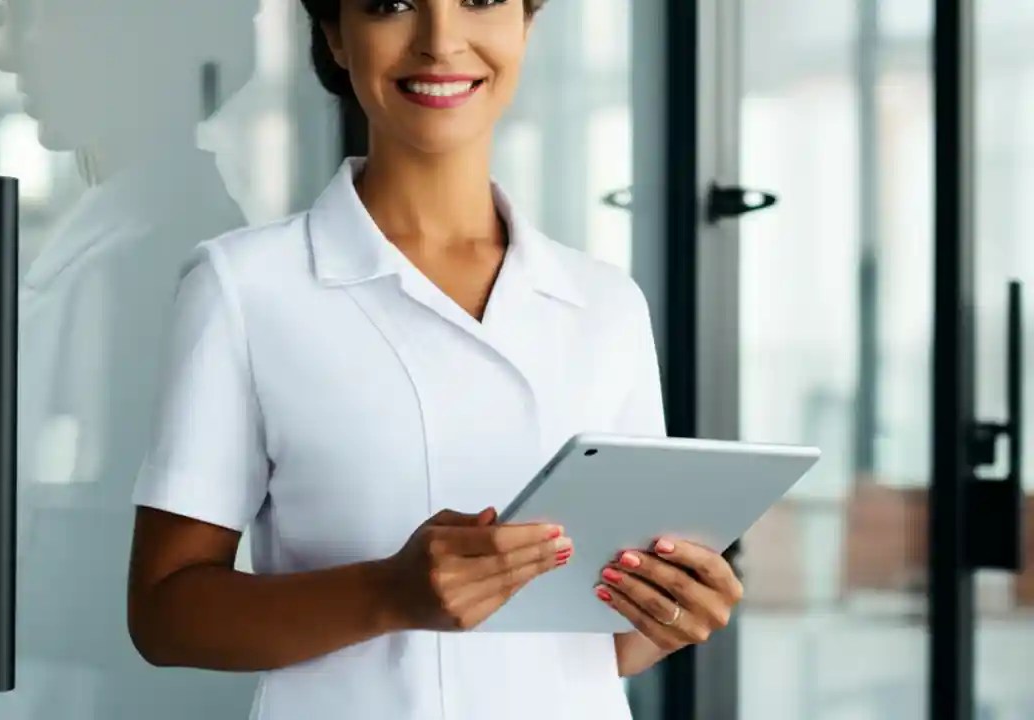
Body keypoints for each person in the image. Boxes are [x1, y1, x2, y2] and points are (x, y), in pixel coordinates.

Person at [127, 1, 745, 718]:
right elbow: (164, 614)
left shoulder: (605, 305)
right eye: (392, 5)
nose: (440, 41)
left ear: (527, 24)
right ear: (333, 33)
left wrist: (669, 616)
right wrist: (389, 593)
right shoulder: (244, 287)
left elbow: (590, 645)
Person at [0, 0, 263, 718]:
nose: (8, 55)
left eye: (32, 14)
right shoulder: (123, 239)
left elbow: (104, 575)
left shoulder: (153, 262)